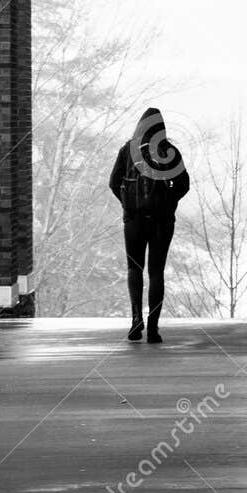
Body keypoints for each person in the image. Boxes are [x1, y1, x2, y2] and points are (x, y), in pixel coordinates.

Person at [109, 108, 190, 343]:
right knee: (156, 272)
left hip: (133, 221)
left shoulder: (128, 150)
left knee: (134, 269)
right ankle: (153, 329)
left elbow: (113, 182)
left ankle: (136, 321)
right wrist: (168, 201)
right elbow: (183, 185)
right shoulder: (169, 151)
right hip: (162, 222)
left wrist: (128, 205)